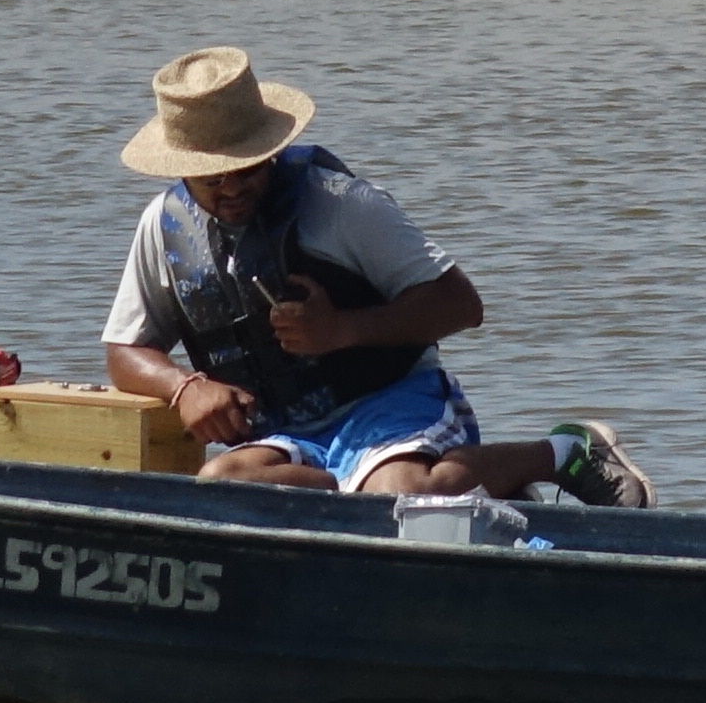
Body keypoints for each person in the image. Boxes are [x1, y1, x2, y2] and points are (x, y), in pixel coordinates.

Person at [101, 47, 648, 505]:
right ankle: (466, 486)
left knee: (394, 495)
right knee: (221, 485)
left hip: (389, 404)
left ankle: (561, 454)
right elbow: (123, 352)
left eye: (247, 166)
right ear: (183, 171)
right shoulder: (162, 228)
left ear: (271, 151)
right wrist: (185, 387)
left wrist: (344, 330)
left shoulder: (342, 206)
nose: (232, 187)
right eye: (212, 177)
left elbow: (461, 304)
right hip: (284, 433)